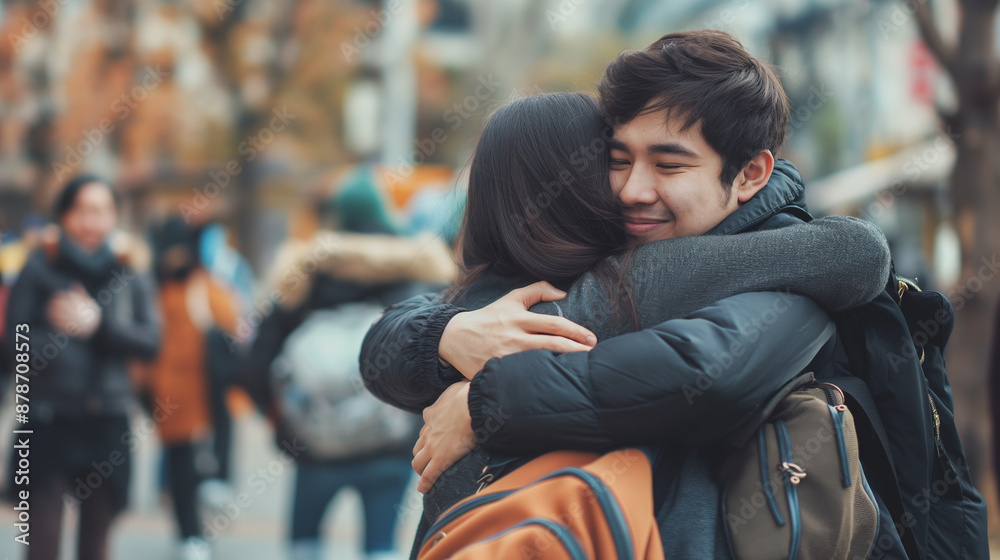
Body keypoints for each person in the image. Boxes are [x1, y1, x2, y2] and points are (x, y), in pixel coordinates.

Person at [360, 84, 891, 559]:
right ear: (581, 184)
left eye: (664, 164)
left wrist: (449, 343)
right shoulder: (632, 284)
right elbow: (854, 251)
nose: (633, 188)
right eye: (615, 162)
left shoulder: (474, 304)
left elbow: (377, 353)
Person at [242, 175, 457, 560]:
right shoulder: (416, 272)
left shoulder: (304, 274)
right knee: (381, 548)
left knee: (304, 545)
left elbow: (257, 363)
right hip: (389, 445)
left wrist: (281, 423)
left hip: (315, 445)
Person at [4, 175, 160, 560]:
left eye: (103, 211)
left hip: (106, 421)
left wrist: (98, 325)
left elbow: (151, 341)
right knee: (41, 541)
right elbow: (15, 346)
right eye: (83, 210)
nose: (93, 222)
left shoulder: (129, 272)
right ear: (63, 216)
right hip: (47, 420)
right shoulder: (38, 268)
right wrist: (61, 341)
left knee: (96, 543)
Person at [137, 216, 240, 560]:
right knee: (181, 465)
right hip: (170, 394)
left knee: (205, 461)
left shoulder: (204, 285)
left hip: (208, 390)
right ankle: (190, 534)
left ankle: (198, 528)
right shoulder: (155, 290)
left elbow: (232, 323)